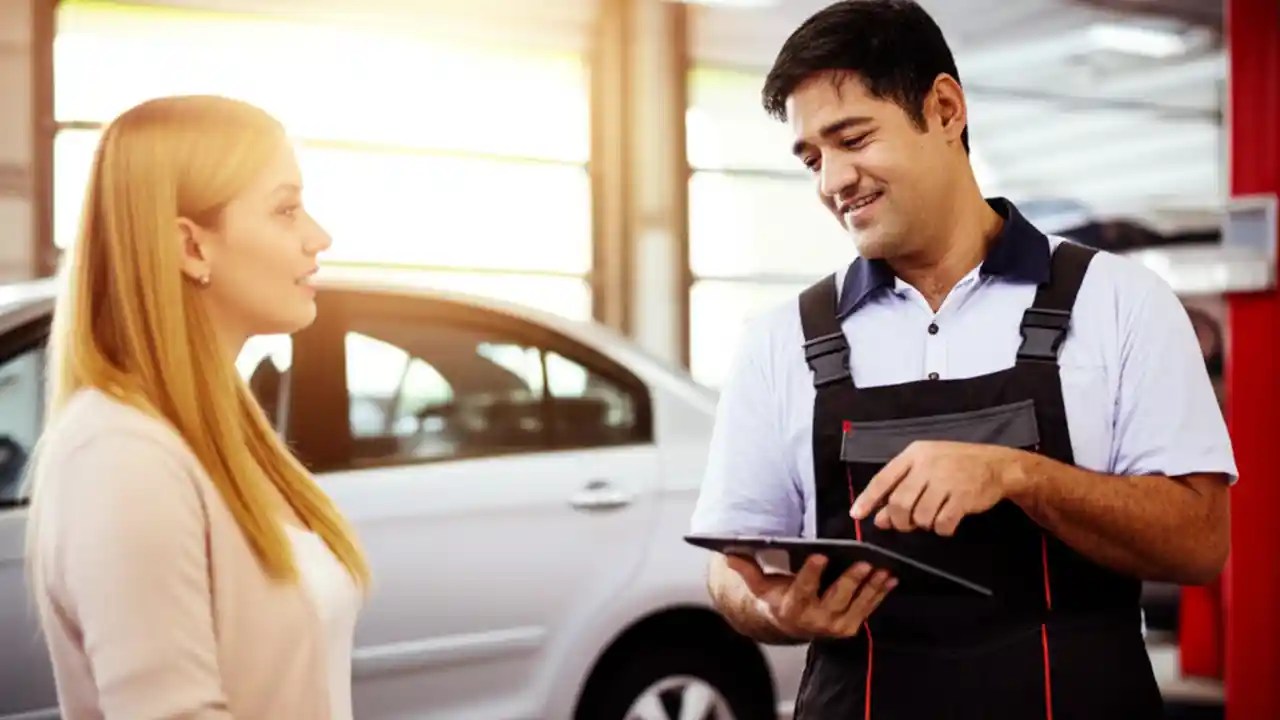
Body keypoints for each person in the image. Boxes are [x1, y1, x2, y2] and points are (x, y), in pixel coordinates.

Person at [689, 2, 1236, 718]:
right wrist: (773, 609)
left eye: (852, 138)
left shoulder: (1121, 303)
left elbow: (1200, 543)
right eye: (812, 157)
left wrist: (1017, 473)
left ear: (945, 109)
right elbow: (728, 571)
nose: (832, 180)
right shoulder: (779, 341)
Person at [25, 95, 370, 720]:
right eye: (286, 209)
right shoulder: (121, 456)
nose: (319, 237)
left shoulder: (217, 432)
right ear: (191, 247)